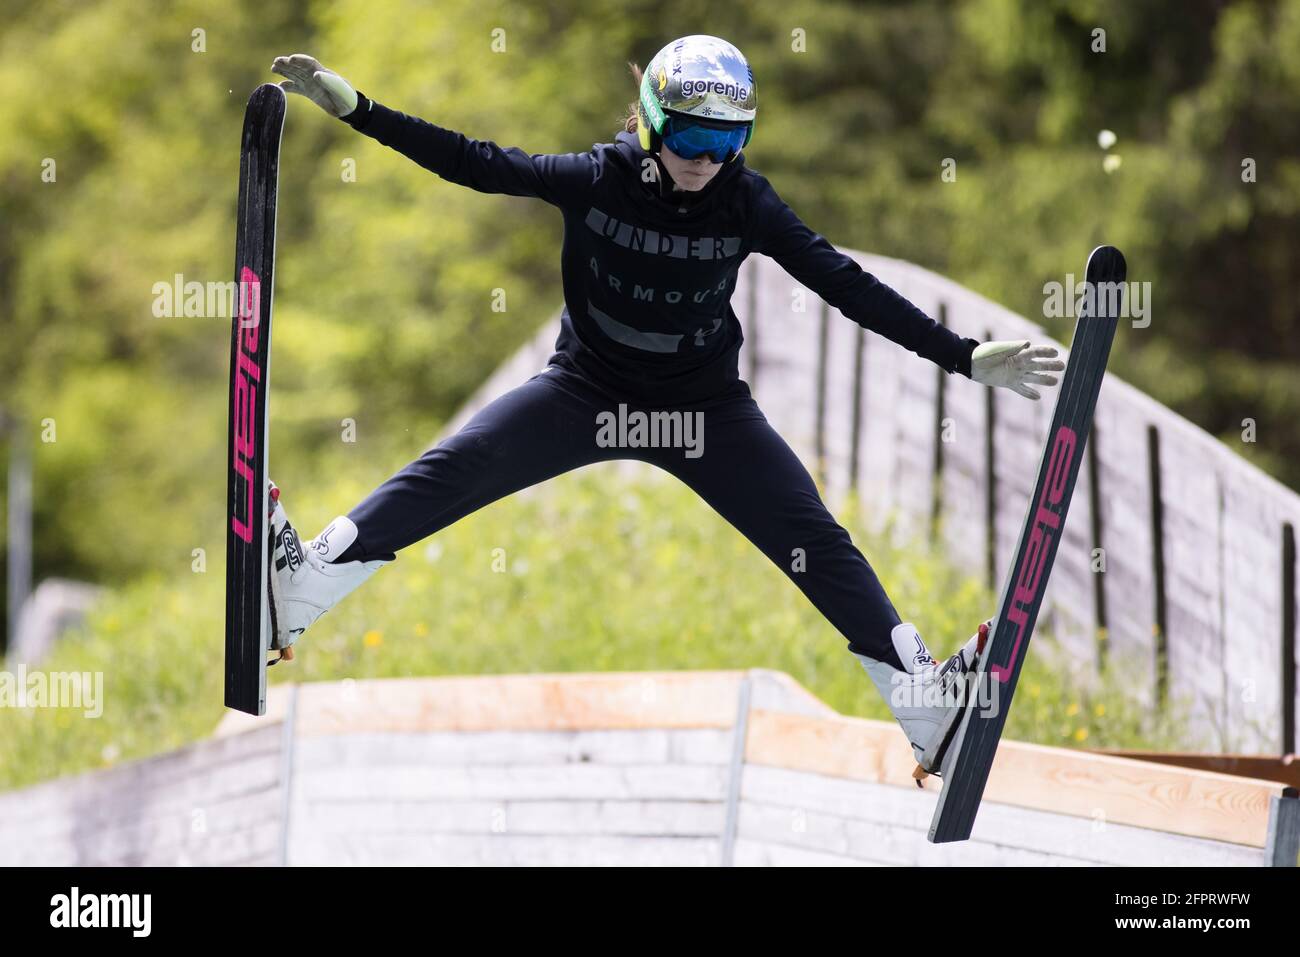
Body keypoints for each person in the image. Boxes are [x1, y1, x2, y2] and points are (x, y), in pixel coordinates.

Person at [264, 36, 1063, 777]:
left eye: (728, 144)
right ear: (651, 124)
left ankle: (925, 710)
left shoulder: (746, 203)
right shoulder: (594, 179)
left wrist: (960, 355)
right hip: (584, 395)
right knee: (455, 466)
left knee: (815, 539)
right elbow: (474, 163)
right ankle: (300, 590)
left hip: (703, 411)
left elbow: (845, 285)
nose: (706, 163)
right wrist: (357, 109)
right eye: (690, 140)